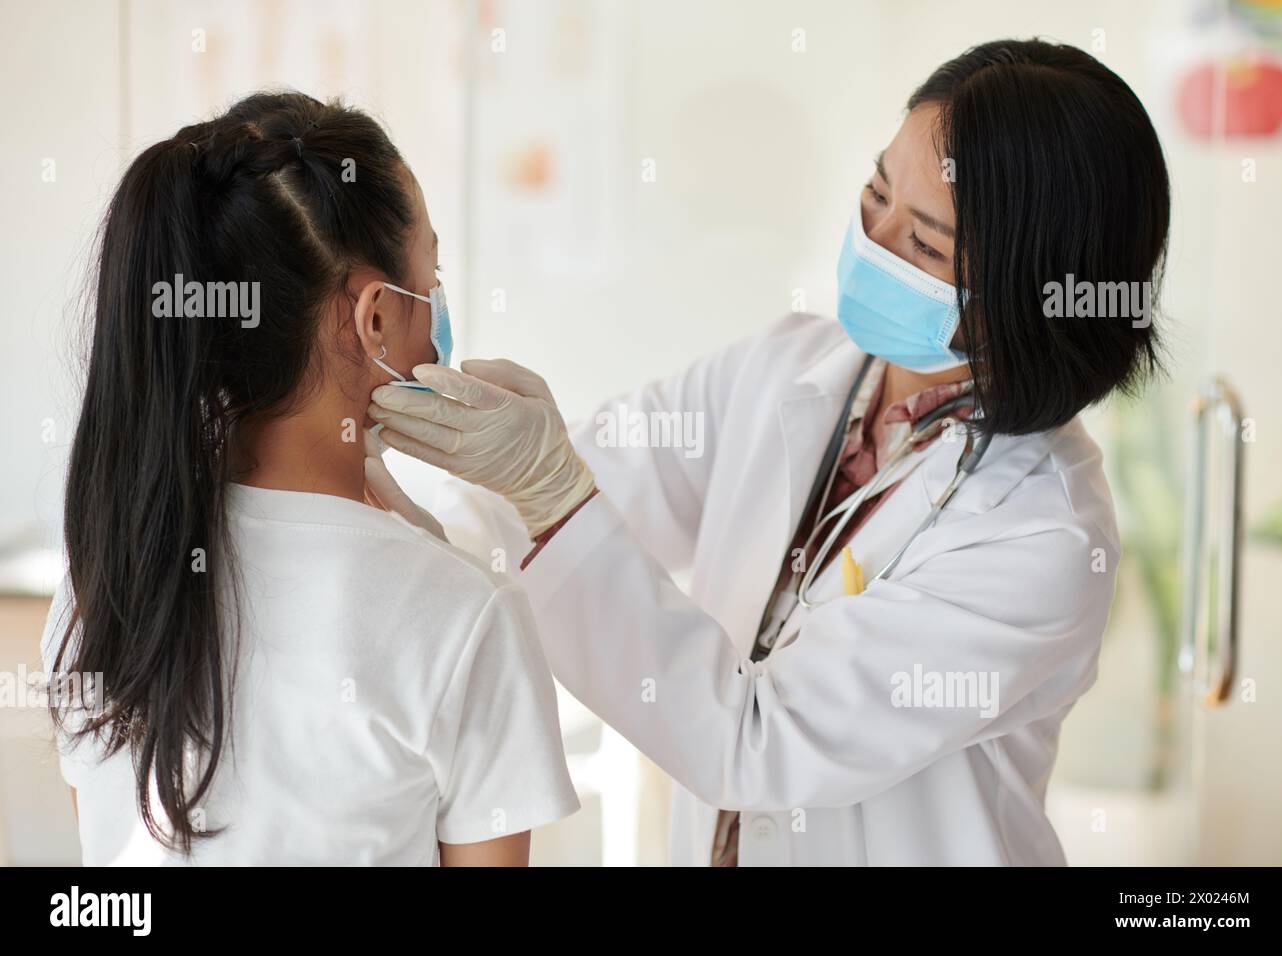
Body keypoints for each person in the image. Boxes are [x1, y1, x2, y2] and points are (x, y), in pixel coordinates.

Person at [367, 39, 1170, 866]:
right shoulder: (786, 370)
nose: (873, 242)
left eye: (925, 246)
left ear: (1026, 293)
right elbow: (560, 503)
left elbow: (760, 741)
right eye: (875, 192)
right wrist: (378, 524)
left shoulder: (1042, 535)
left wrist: (547, 491)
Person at [42, 92, 578, 866]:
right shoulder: (467, 619)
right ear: (374, 319)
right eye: (434, 272)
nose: (440, 307)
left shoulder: (103, 579)